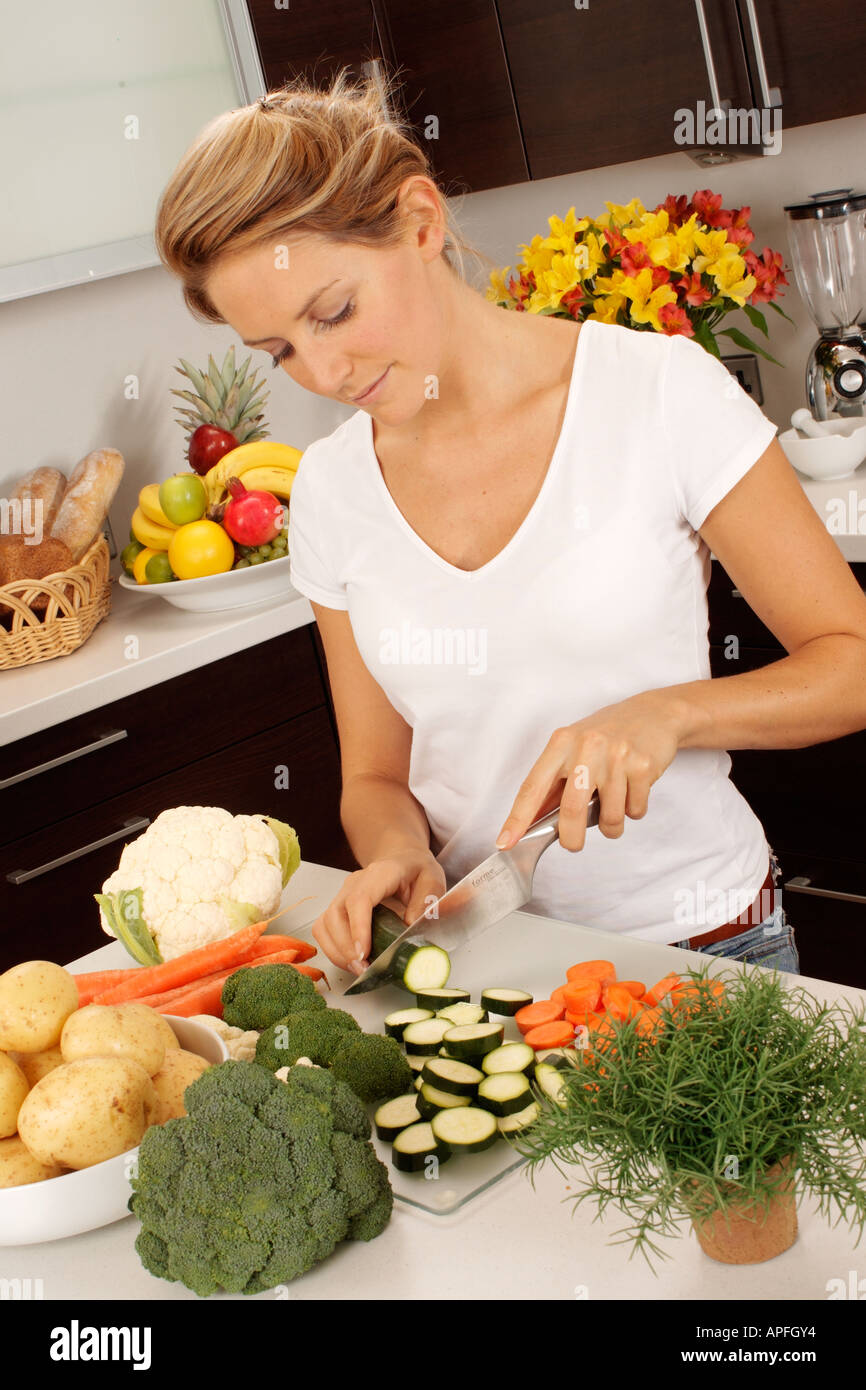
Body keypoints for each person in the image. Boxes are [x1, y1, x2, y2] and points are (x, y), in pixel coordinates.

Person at [154, 71, 866, 979]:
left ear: (420, 222)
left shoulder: (657, 390)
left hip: (709, 946)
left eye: (333, 312)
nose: (325, 371)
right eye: (282, 350)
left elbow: (852, 661)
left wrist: (670, 714)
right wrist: (394, 855)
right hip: (483, 961)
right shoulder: (331, 490)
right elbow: (375, 775)